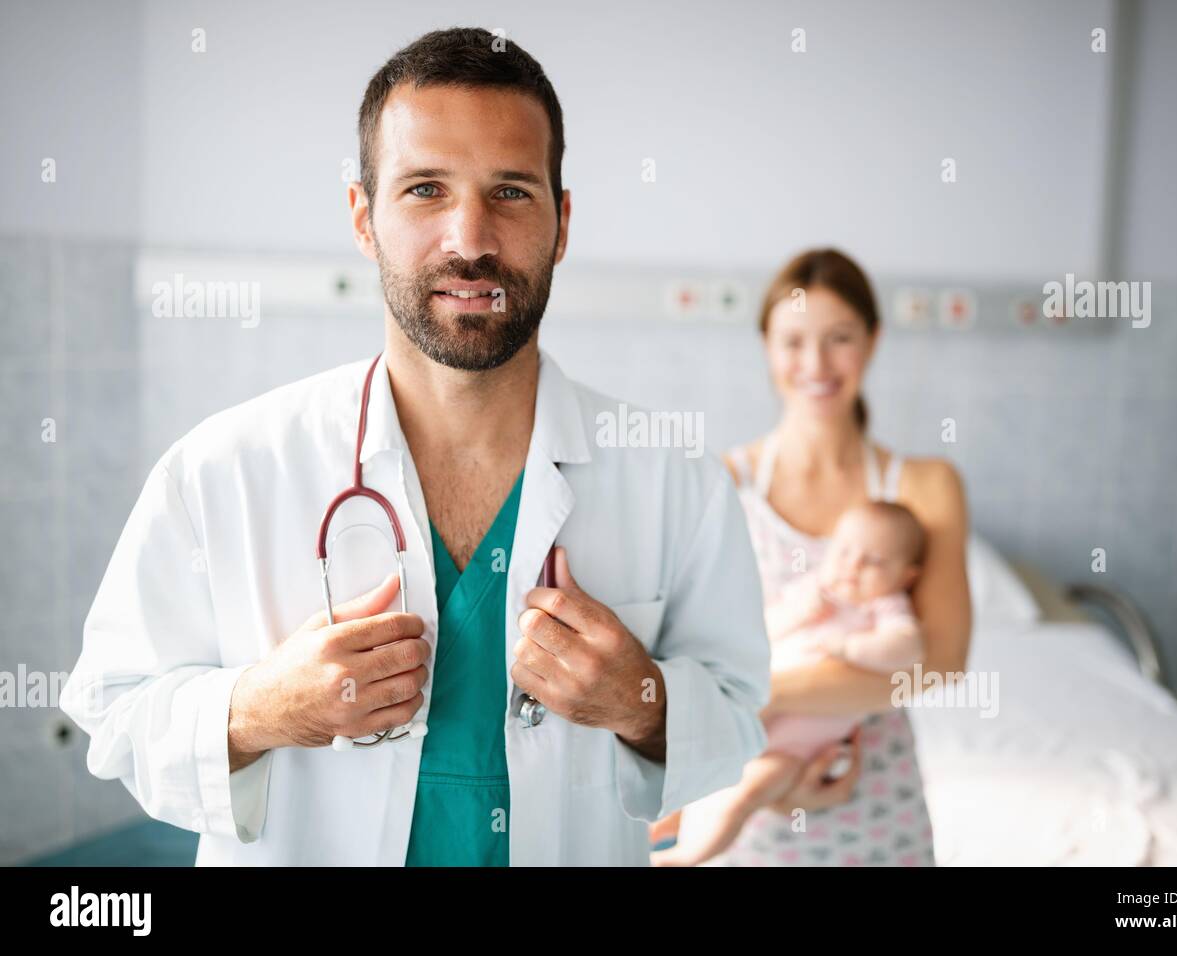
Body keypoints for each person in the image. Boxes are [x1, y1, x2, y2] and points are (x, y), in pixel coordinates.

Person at [59, 27, 770, 867]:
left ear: (562, 220)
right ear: (362, 217)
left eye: (510, 191)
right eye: (426, 189)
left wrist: (642, 700)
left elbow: (738, 716)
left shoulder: (676, 481)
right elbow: (112, 711)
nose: (469, 238)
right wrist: (261, 708)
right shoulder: (224, 470)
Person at [652, 248, 971, 866]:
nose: (816, 364)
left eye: (839, 338)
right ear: (768, 348)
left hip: (875, 800)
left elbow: (939, 663)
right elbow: (682, 657)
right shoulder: (722, 482)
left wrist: (764, 695)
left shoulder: (924, 487)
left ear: (872, 342)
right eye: (793, 341)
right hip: (743, 797)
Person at [652, 501, 926, 866]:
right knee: (699, 765)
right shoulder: (815, 590)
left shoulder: (884, 609)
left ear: (906, 576)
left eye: (874, 561)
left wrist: (850, 647)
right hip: (754, 711)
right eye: (844, 551)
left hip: (798, 752)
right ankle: (661, 826)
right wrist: (799, 613)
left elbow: (908, 648)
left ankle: (684, 858)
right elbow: (762, 631)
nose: (853, 567)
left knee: (744, 798)